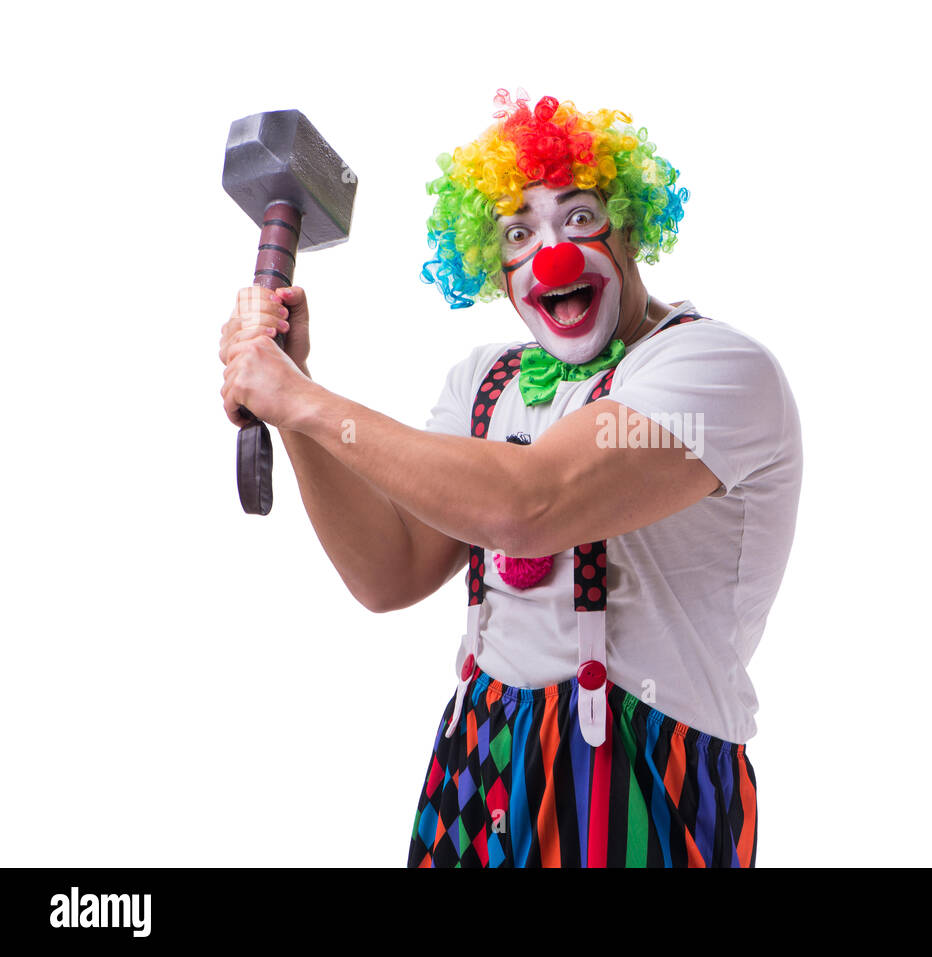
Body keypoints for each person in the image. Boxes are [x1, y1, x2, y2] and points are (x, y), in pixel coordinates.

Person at [217, 90, 802, 868]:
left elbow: (531, 502)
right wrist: (293, 405)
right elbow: (390, 570)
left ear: (629, 224)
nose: (551, 253)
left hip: (643, 763)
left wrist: (309, 402)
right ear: (494, 266)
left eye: (581, 217)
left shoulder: (714, 370)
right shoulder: (484, 381)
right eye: (518, 234)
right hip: (481, 748)